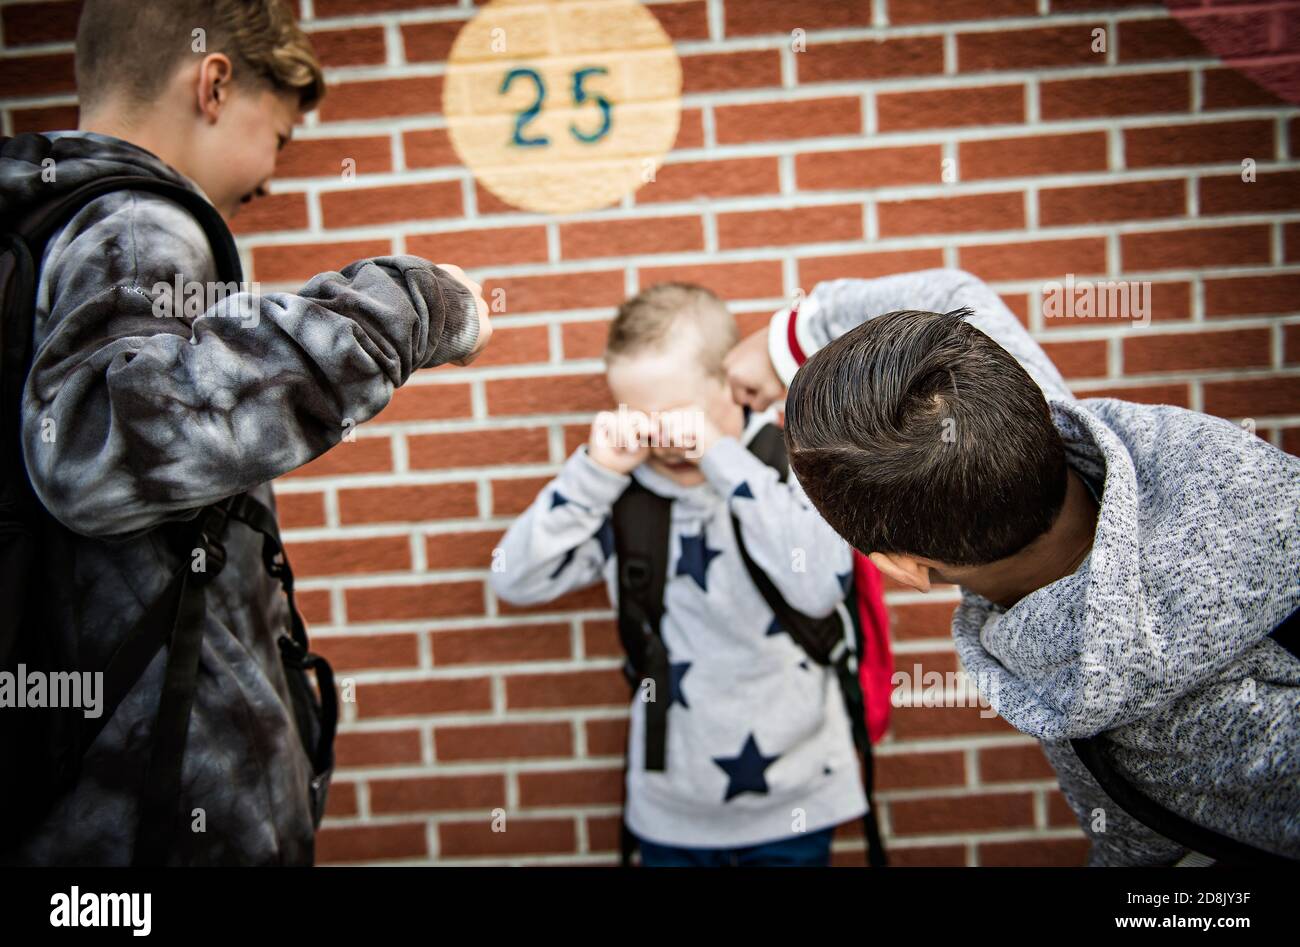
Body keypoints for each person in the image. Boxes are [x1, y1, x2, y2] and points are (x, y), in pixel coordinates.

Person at [0, 0, 491, 864]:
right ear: (214, 82)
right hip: (151, 809)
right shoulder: (139, 220)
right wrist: (407, 308)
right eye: (282, 137)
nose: (272, 175)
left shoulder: (37, 230)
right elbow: (91, 446)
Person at [723, 268, 1300, 865]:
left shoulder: (1144, 733)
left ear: (904, 569)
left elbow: (1138, 855)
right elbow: (952, 293)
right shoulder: (1050, 423)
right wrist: (780, 341)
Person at [490, 283, 866, 866]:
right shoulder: (624, 494)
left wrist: (720, 456)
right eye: (637, 416)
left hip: (800, 793)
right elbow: (515, 579)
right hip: (673, 806)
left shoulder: (789, 462)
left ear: (729, 383)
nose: (658, 436)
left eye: (672, 414)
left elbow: (819, 587)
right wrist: (594, 474)